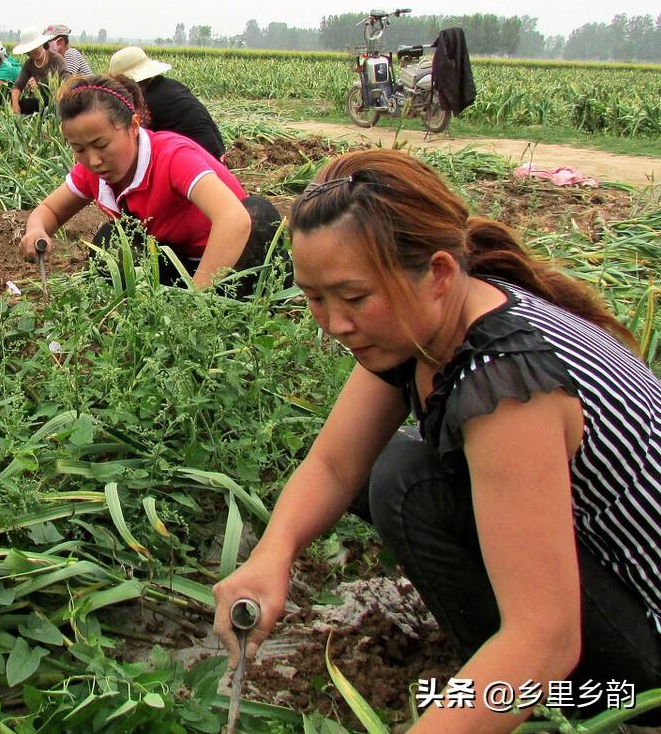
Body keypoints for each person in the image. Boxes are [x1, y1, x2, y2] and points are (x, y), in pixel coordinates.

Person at [212, 149, 661, 731]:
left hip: (646, 634)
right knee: (395, 470)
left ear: (440, 274)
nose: (334, 323)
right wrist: (271, 557)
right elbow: (332, 464)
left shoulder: (507, 384)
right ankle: (498, 684)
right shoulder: (432, 322)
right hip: (601, 576)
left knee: (411, 486)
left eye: (353, 298)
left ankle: (567, 704)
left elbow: (545, 637)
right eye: (315, 298)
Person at [18, 75, 284, 296]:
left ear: (133, 126)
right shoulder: (93, 171)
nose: (94, 160)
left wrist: (196, 299)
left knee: (259, 214)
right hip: (176, 264)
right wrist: (36, 230)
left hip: (230, 262)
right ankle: (161, 306)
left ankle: (232, 303)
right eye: (79, 149)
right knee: (111, 243)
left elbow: (234, 219)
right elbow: (50, 210)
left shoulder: (172, 156)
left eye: (101, 145)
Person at [108, 46, 225, 160]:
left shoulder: (147, 101)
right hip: (215, 152)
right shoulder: (169, 85)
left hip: (200, 159)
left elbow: (137, 138)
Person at [10, 27, 66, 115]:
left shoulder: (56, 59)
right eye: (29, 51)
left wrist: (60, 95)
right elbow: (18, 85)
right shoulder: (29, 64)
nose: (32, 53)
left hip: (60, 101)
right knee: (23, 104)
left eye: (34, 48)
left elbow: (67, 78)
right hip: (42, 101)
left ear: (41, 44)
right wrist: (15, 105)